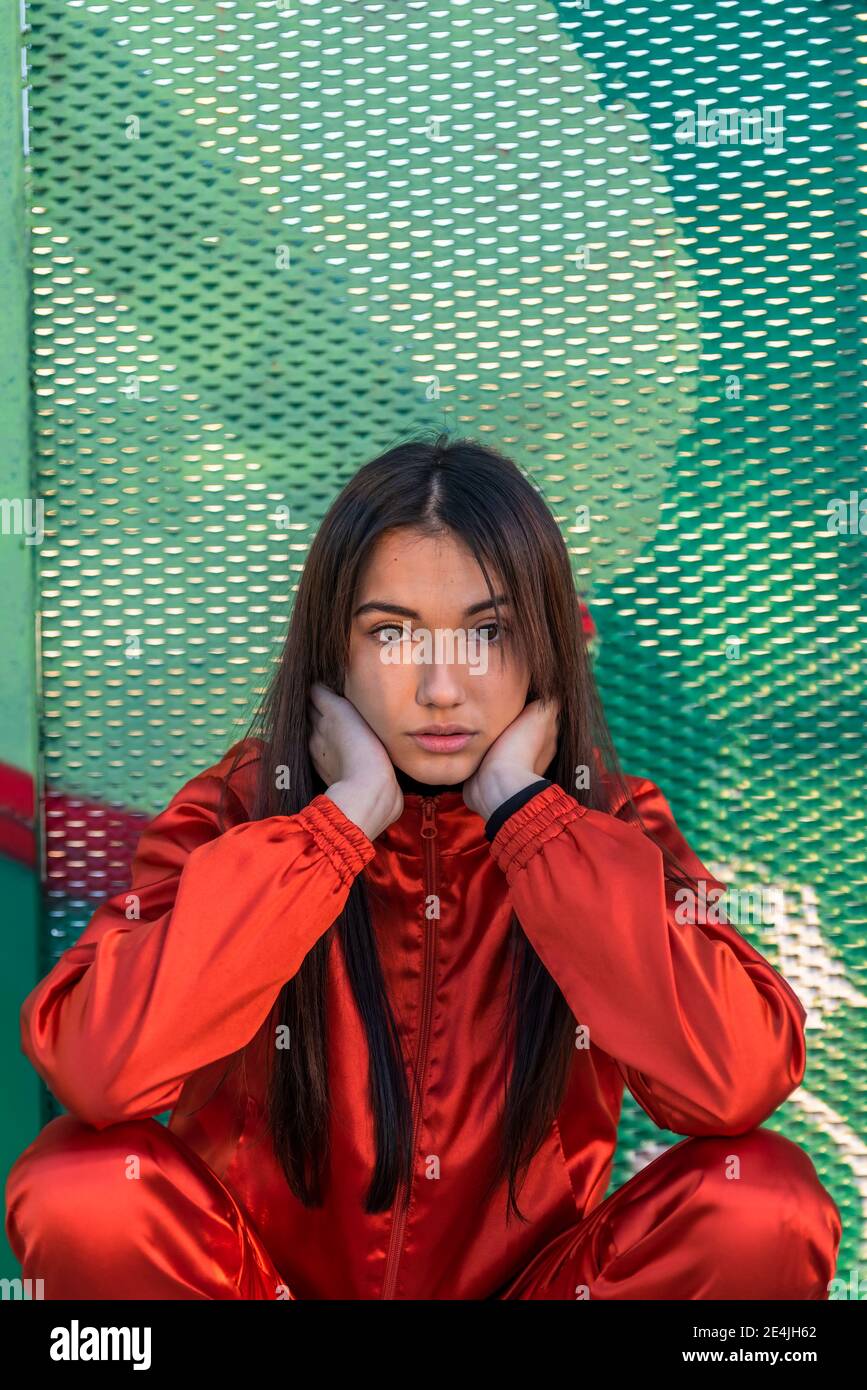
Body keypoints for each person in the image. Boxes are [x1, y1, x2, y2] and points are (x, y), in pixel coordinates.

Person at [5, 434, 841, 1300]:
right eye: (392, 633)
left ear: (544, 648)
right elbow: (97, 1069)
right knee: (84, 1186)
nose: (442, 686)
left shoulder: (602, 821)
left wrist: (528, 821)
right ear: (334, 650)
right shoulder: (241, 810)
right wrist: (333, 831)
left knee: (759, 1202)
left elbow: (735, 1080)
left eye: (488, 632)